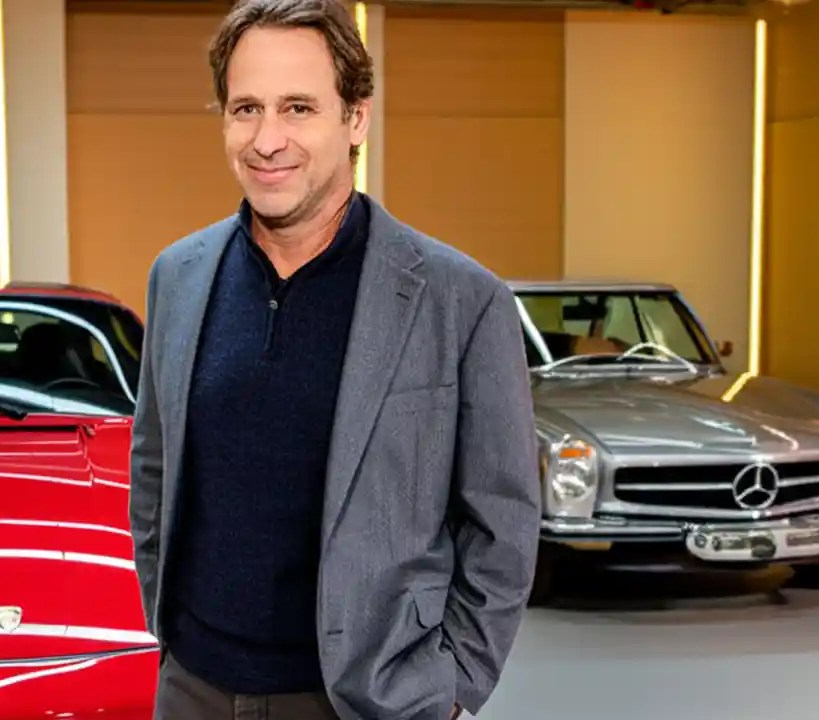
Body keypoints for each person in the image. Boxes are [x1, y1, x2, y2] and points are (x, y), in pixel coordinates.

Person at [129, 1, 540, 718]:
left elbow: (502, 522)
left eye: (298, 108)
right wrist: (166, 630)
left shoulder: (460, 300)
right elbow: (154, 469)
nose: (267, 140)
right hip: (192, 687)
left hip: (367, 700)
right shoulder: (178, 276)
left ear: (356, 118)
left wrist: (452, 688)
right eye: (245, 108)